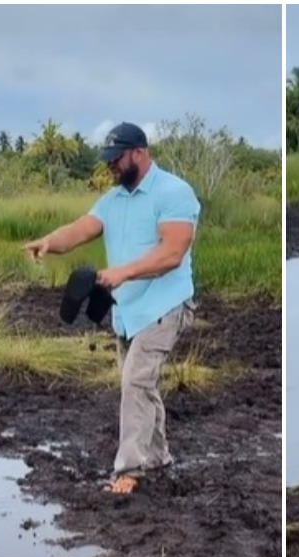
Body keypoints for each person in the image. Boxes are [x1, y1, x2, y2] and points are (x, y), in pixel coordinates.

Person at [23, 122, 201, 494]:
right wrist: (48, 242)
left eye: (116, 159)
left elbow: (172, 253)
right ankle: (158, 457)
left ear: (139, 151)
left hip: (165, 305)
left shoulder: (174, 193)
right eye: (108, 161)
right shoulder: (112, 199)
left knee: (135, 380)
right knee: (141, 383)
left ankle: (131, 471)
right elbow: (80, 229)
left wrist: (123, 272)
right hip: (128, 311)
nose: (111, 167)